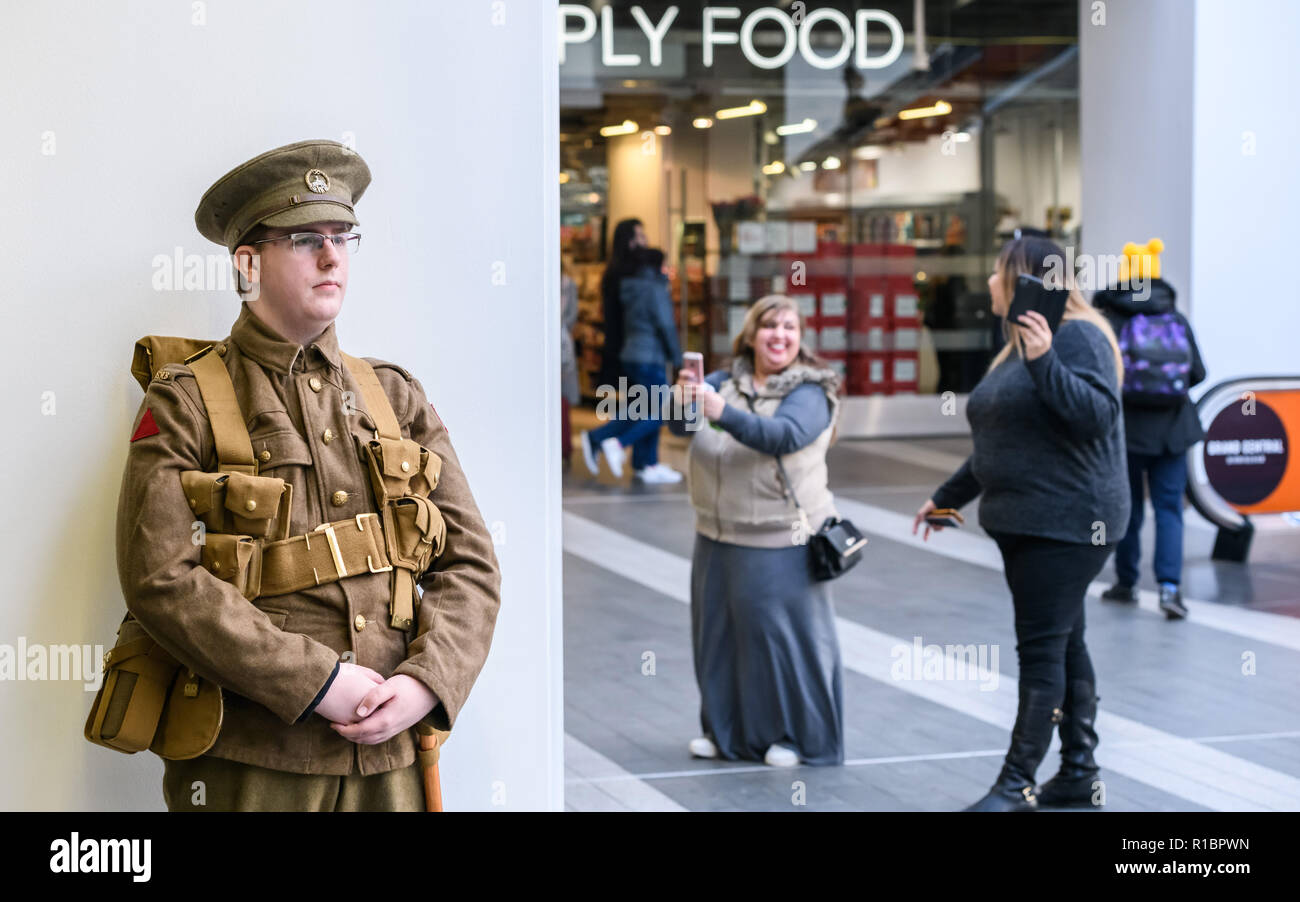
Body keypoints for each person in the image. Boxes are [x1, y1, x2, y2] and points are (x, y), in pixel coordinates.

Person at [114, 140, 502, 811]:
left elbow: (470, 563)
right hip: (253, 762)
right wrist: (318, 681)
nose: (331, 257)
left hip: (394, 754)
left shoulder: (394, 395)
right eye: (304, 239)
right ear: (248, 263)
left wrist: (428, 682)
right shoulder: (186, 400)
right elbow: (159, 576)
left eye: (342, 237)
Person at [913, 236, 1129, 811]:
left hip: (1068, 522)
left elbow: (1095, 417)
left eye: (995, 272)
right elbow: (1000, 442)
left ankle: (1016, 784)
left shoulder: (1076, 336)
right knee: (1064, 643)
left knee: (1039, 653)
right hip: (1032, 522)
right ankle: (1080, 774)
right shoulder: (1016, 346)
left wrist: (1044, 360)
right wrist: (946, 498)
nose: (986, 282)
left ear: (1027, 279)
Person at [671, 295, 845, 767]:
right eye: (770, 326)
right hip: (716, 532)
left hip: (780, 537)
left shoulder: (811, 390)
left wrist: (720, 412)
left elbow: (782, 436)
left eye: (789, 327)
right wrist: (685, 400)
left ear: (800, 337)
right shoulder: (721, 382)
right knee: (718, 639)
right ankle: (725, 733)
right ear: (750, 335)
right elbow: (679, 427)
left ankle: (795, 738)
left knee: (781, 644)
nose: (780, 335)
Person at [1092, 241, 1206, 619]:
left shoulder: (1111, 317)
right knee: (1169, 508)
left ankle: (1126, 583)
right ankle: (1170, 589)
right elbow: (1198, 373)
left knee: (1130, 509)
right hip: (1172, 430)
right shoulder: (1172, 315)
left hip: (1125, 431)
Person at [581, 245, 684, 483]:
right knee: (661, 411)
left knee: (641, 410)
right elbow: (666, 325)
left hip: (632, 355)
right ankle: (616, 443)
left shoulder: (631, 287)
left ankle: (644, 463)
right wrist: (677, 358)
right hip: (650, 357)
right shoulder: (655, 289)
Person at [560, 259, 580, 467]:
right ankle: (564, 446)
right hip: (562, 342)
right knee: (562, 397)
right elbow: (572, 316)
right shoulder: (568, 284)